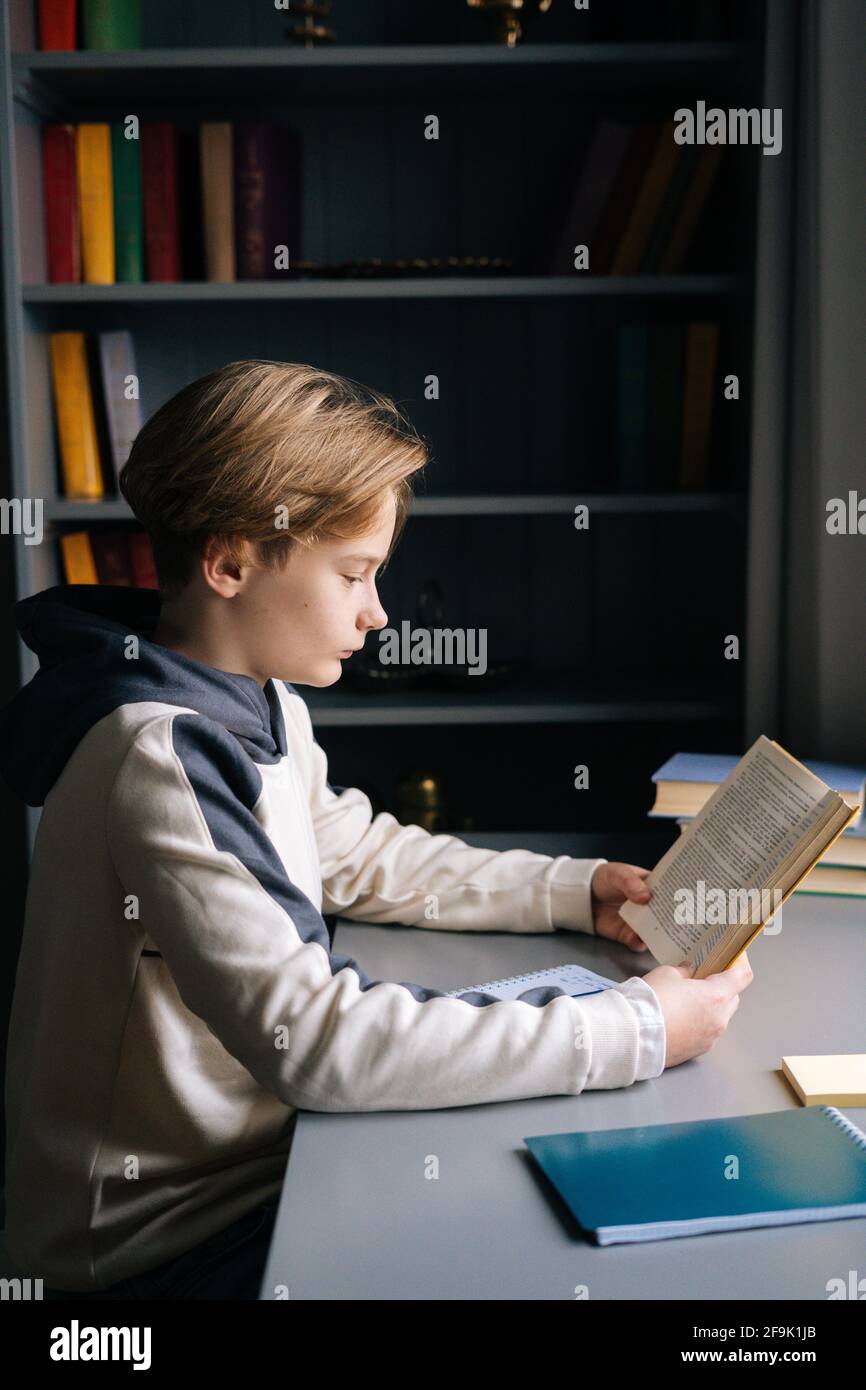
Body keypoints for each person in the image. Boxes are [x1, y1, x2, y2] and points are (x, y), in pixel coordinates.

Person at [0, 360, 753, 1299]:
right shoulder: (161, 754)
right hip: (151, 1252)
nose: (378, 612)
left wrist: (571, 890)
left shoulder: (255, 702)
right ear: (230, 562)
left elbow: (351, 854)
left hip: (258, 1176)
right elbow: (310, 1040)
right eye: (353, 573)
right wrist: (637, 1028)